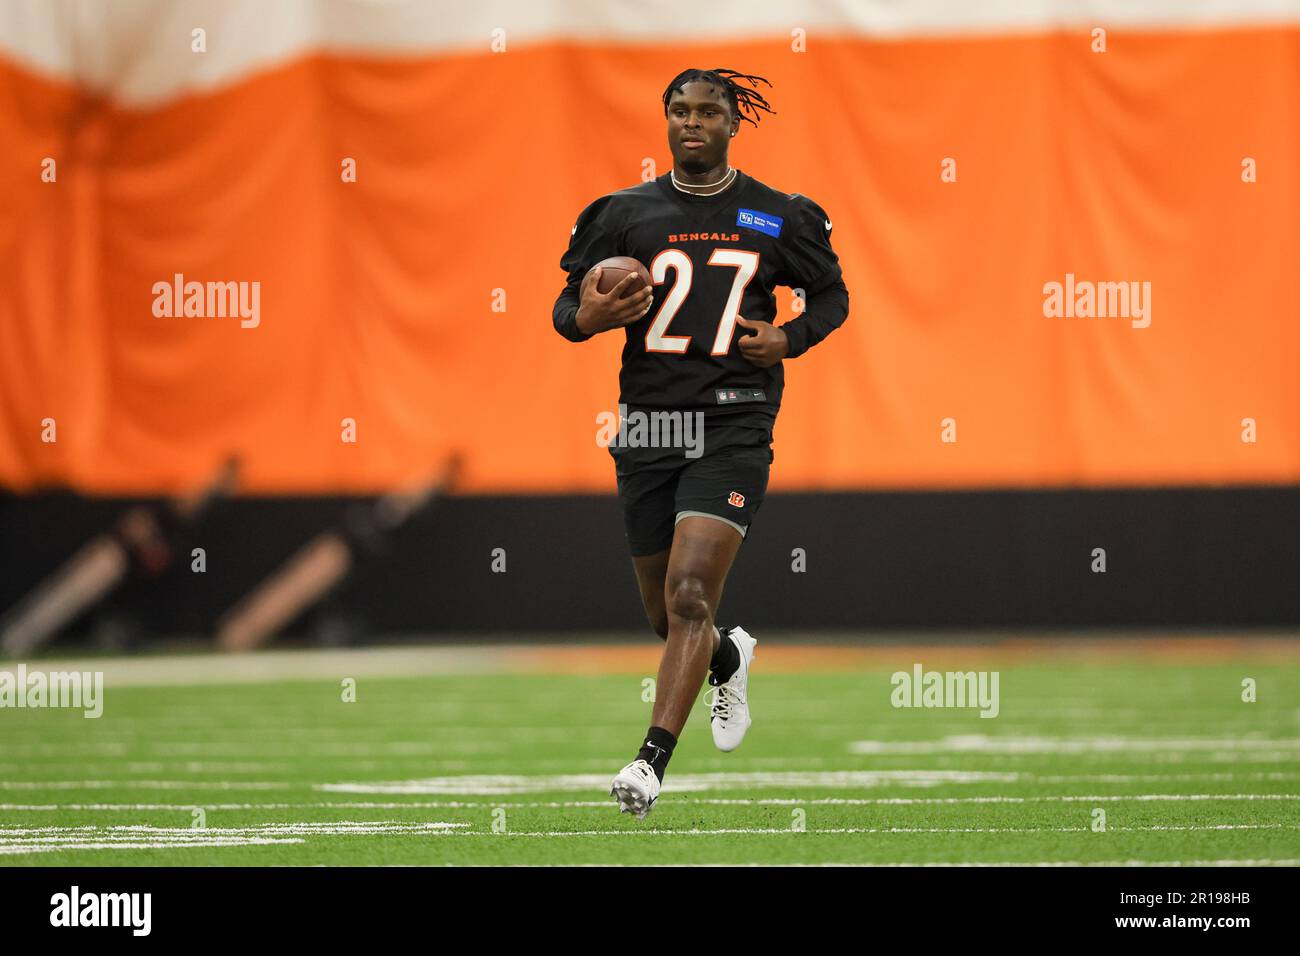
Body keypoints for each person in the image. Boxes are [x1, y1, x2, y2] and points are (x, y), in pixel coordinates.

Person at [552, 68, 850, 818]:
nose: (693, 122)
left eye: (709, 111)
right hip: (650, 425)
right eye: (680, 111)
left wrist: (790, 335)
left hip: (734, 425)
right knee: (669, 617)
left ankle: (649, 765)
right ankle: (729, 656)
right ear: (666, 121)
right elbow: (563, 308)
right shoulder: (623, 215)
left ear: (732, 124)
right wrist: (589, 319)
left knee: (690, 592)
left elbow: (833, 295)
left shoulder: (778, 215)